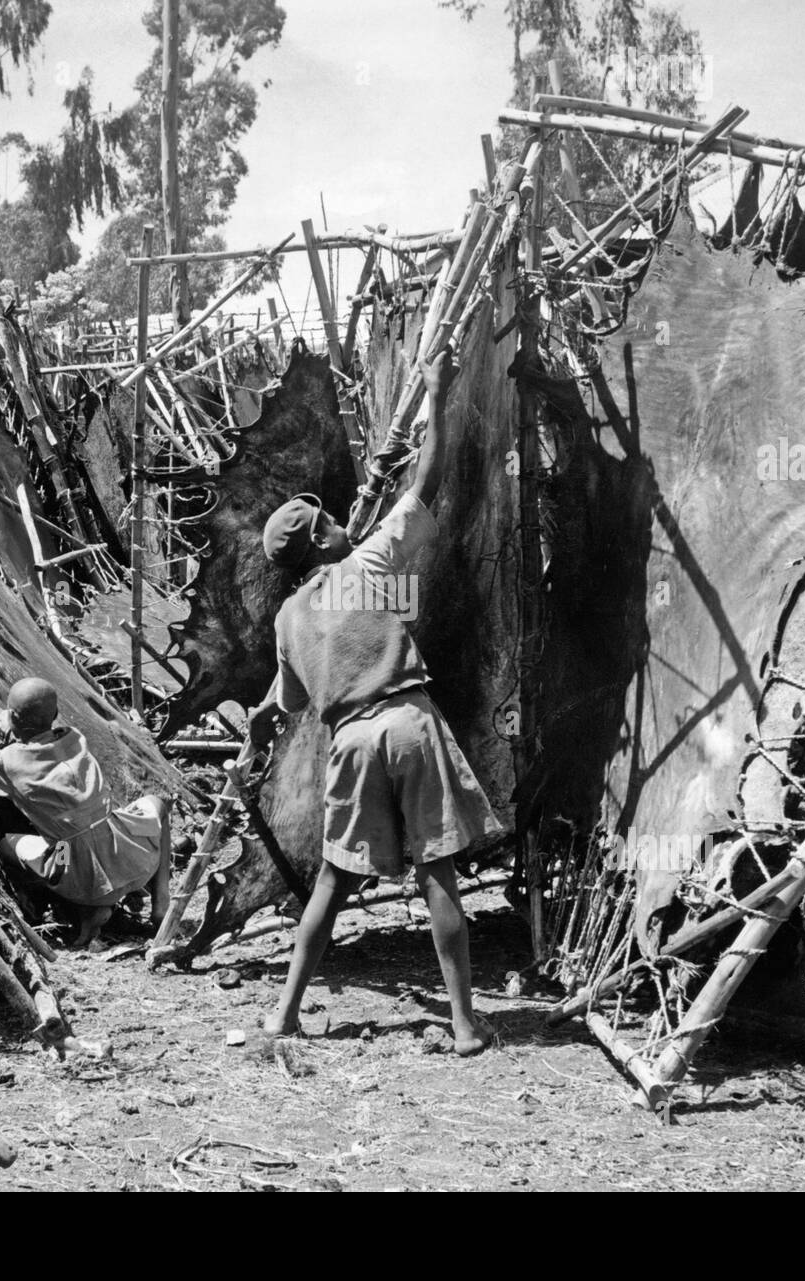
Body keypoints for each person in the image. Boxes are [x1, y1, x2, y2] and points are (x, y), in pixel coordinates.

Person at [249, 348, 503, 1056]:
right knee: (437, 872)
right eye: (329, 521)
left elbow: (284, 702)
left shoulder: (289, 621)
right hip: (410, 723)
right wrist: (436, 393)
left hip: (351, 741)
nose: (339, 523)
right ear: (324, 537)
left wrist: (258, 725)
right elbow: (428, 479)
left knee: (332, 881)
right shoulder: (367, 562)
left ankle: (283, 1013)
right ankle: (460, 1023)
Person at [0, 667, 171, 949]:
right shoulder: (73, 739)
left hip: (78, 874)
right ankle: (161, 901)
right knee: (158, 804)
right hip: (132, 855)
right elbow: (24, 726)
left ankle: (78, 910)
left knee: (8, 847)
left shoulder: (9, 763)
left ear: (15, 719)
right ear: (56, 713)